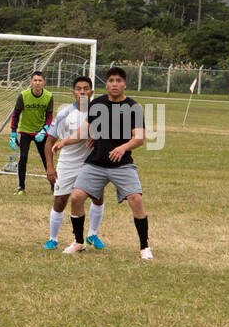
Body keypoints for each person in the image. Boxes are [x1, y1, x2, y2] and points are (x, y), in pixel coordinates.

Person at [64, 66, 152, 261]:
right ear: (107, 83)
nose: (114, 84)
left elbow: (139, 138)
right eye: (111, 80)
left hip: (122, 165)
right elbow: (85, 130)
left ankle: (144, 246)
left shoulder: (133, 107)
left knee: (136, 199)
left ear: (124, 84)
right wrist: (64, 141)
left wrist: (123, 148)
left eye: (118, 81)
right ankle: (79, 242)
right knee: (76, 197)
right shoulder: (97, 103)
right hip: (96, 163)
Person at [43, 74, 106, 249]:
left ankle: (92, 234)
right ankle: (53, 239)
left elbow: (108, 133)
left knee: (98, 197)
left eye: (86, 89)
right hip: (68, 163)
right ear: (73, 93)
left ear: (91, 92)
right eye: (79, 89)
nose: (82, 92)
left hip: (91, 163)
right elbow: (49, 143)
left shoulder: (99, 111)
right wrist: (49, 166)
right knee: (60, 200)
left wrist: (96, 137)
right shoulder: (65, 114)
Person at [9, 71, 54, 194]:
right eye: (35, 80)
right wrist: (13, 133)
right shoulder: (23, 96)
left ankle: (54, 185)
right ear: (31, 82)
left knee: (47, 159)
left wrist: (44, 129)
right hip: (25, 131)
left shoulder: (49, 96)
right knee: (23, 158)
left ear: (44, 82)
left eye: (40, 80)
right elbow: (16, 114)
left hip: (41, 132)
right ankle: (21, 188)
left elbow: (49, 116)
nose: (37, 83)